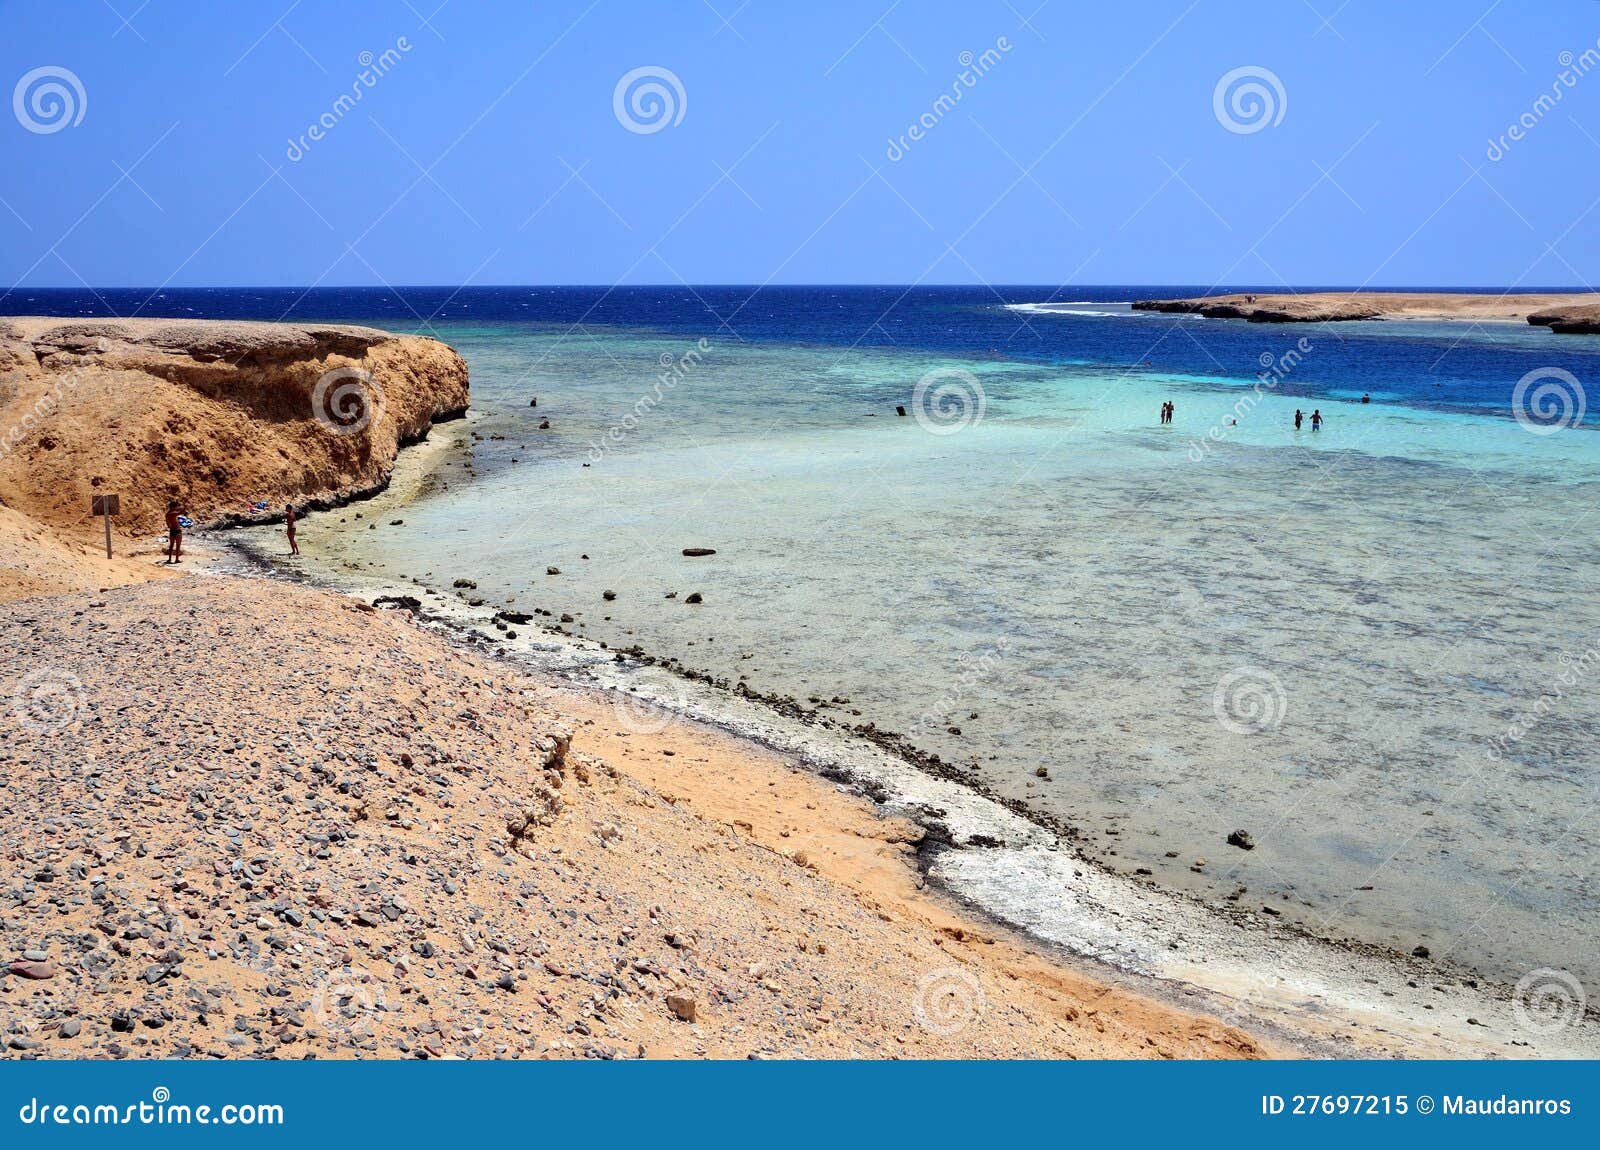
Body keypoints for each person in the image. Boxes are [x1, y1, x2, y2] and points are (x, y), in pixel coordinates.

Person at [164, 500, 185, 564]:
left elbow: (168, 524)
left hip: (172, 531)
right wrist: (184, 505)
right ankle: (177, 559)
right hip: (177, 530)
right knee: (178, 546)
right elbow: (182, 512)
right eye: (175, 507)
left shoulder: (167, 514)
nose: (176, 508)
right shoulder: (173, 513)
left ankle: (169, 559)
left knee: (171, 545)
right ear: (173, 507)